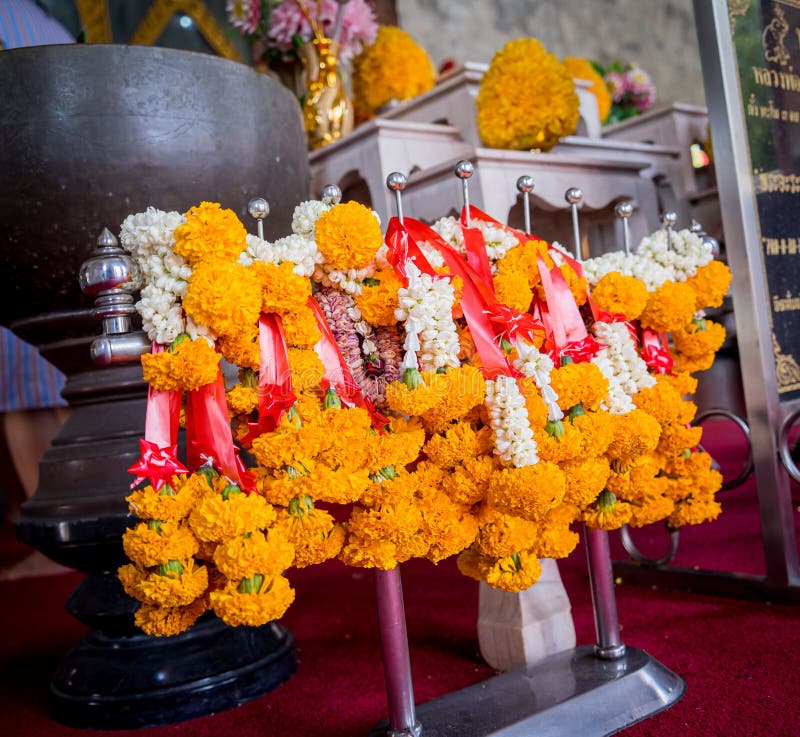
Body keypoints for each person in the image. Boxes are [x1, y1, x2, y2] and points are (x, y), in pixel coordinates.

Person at [0, 0, 74, 577]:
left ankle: (61, 538)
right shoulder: (45, 21)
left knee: (22, 366)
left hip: (23, 198)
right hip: (58, 195)